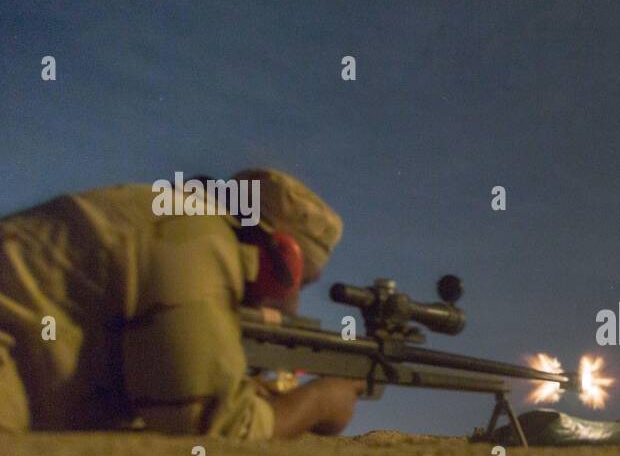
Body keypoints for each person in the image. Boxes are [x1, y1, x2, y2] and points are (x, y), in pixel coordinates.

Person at [0, 169, 364, 439]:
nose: (294, 305)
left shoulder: (178, 218)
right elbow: (211, 426)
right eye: (299, 280)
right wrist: (320, 401)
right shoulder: (196, 239)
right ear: (279, 256)